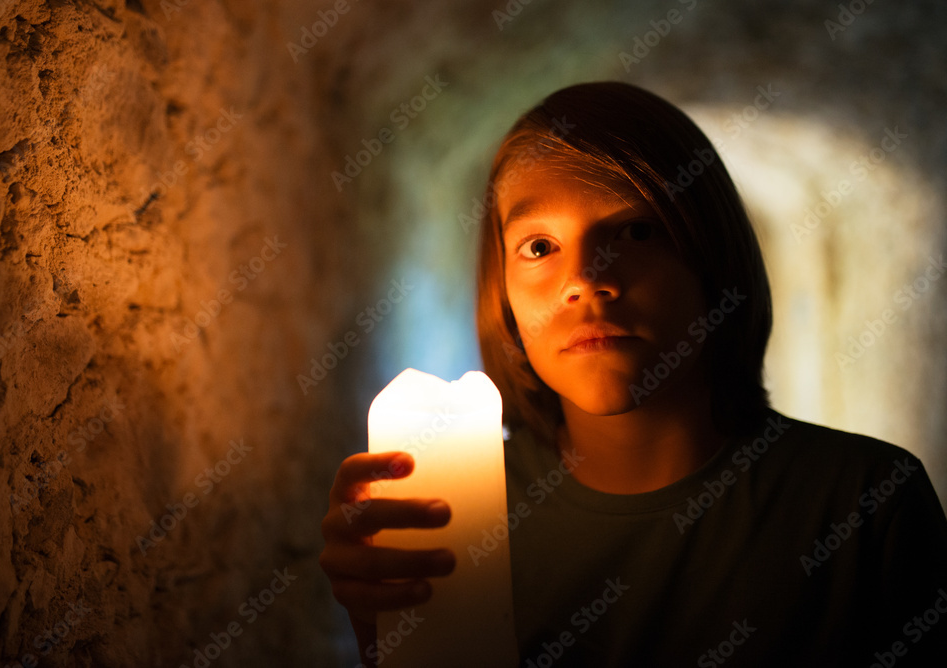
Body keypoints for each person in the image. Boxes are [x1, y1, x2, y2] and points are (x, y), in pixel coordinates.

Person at [320, 82, 947, 666]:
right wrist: (390, 635)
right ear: (502, 292)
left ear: (712, 260)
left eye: (636, 230)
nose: (586, 280)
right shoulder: (453, 512)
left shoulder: (865, 506)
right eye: (539, 247)